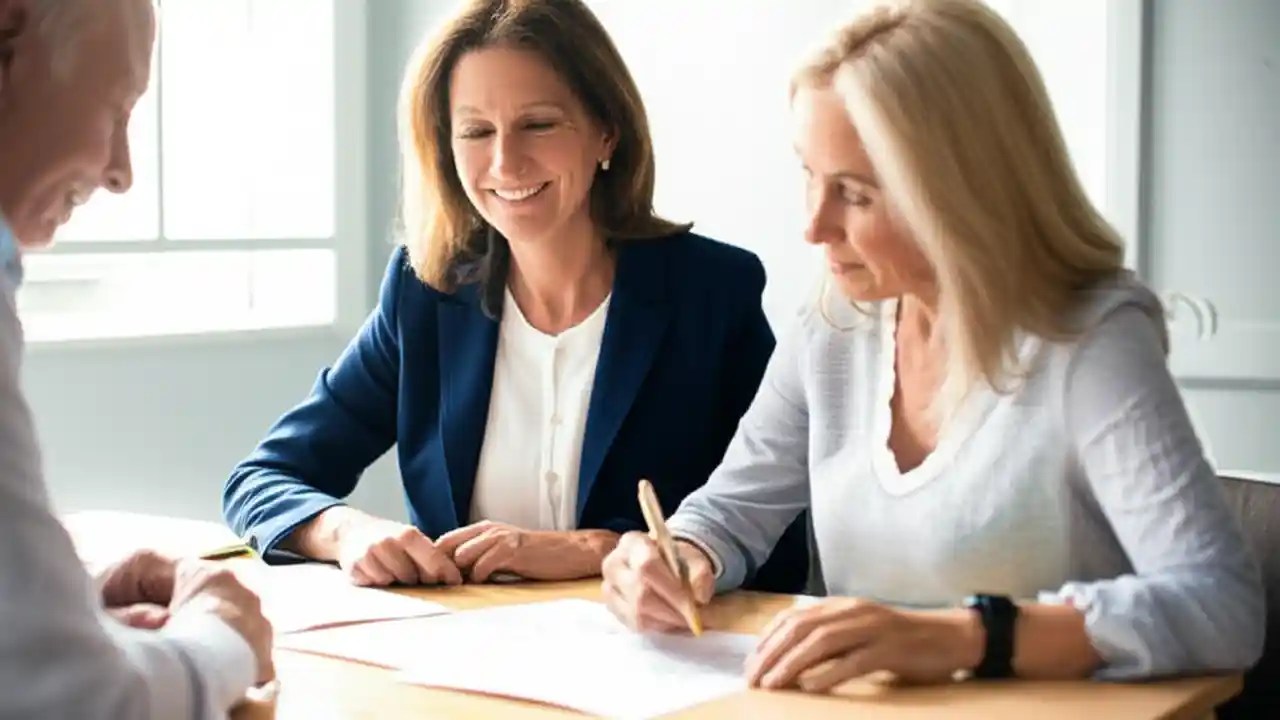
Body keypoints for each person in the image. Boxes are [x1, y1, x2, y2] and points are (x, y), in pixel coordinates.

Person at [602, 0, 1264, 690]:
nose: (813, 227)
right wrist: (674, 552)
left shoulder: (1090, 343)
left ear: (959, 188)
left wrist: (960, 636)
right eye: (809, 174)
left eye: (854, 194)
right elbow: (732, 514)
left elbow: (1220, 604)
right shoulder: (833, 324)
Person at [222, 0, 808, 593]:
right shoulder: (424, 294)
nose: (505, 161)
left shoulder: (712, 293)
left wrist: (593, 549)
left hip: (656, 655)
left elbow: (774, 541)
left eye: (538, 124)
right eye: (476, 131)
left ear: (607, 130)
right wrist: (349, 533)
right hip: (462, 656)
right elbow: (262, 479)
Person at [0, 0, 274, 716]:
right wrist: (223, 633)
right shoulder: (426, 290)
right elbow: (86, 703)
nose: (120, 172)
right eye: (115, 108)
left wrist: (65, 604)